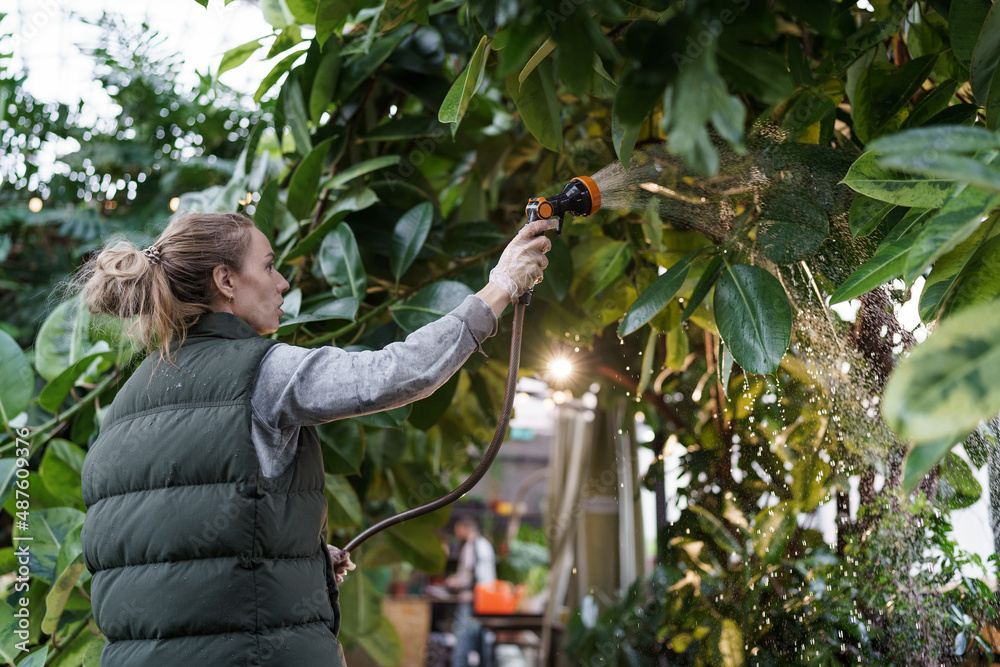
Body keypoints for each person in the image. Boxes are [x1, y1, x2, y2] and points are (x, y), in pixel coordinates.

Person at [77, 211, 555, 666]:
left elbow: (171, 545)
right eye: (267, 266)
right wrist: (501, 286)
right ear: (225, 281)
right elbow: (397, 373)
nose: (283, 282)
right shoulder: (261, 371)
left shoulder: (121, 409)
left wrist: (292, 556)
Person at [445, 517, 497, 667]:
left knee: (462, 641)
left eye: (457, 530)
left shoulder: (470, 546)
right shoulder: (486, 545)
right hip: (485, 602)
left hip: (469, 600)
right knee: (482, 642)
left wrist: (453, 581)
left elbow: (468, 575)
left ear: (464, 528)